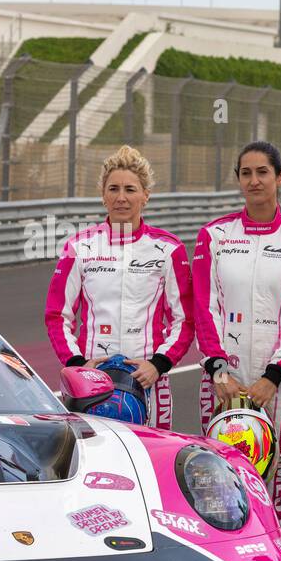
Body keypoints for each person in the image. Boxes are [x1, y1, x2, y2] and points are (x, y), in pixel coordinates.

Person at [191, 140, 281, 552]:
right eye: (246, 173)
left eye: (263, 172)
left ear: (280, 177)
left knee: (280, 486)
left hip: (279, 383)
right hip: (223, 380)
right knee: (216, 484)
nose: (254, 180)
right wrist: (218, 371)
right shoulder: (214, 235)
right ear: (238, 180)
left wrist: (273, 377)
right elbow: (203, 306)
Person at [45, 145, 192, 429]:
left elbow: (184, 320)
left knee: (153, 462)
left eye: (130, 189)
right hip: (91, 382)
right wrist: (77, 363)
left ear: (145, 196)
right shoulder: (78, 247)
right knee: (94, 461)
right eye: (113, 189)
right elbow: (56, 315)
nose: (121, 198)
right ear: (103, 195)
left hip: (149, 380)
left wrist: (158, 365)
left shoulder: (168, 248)